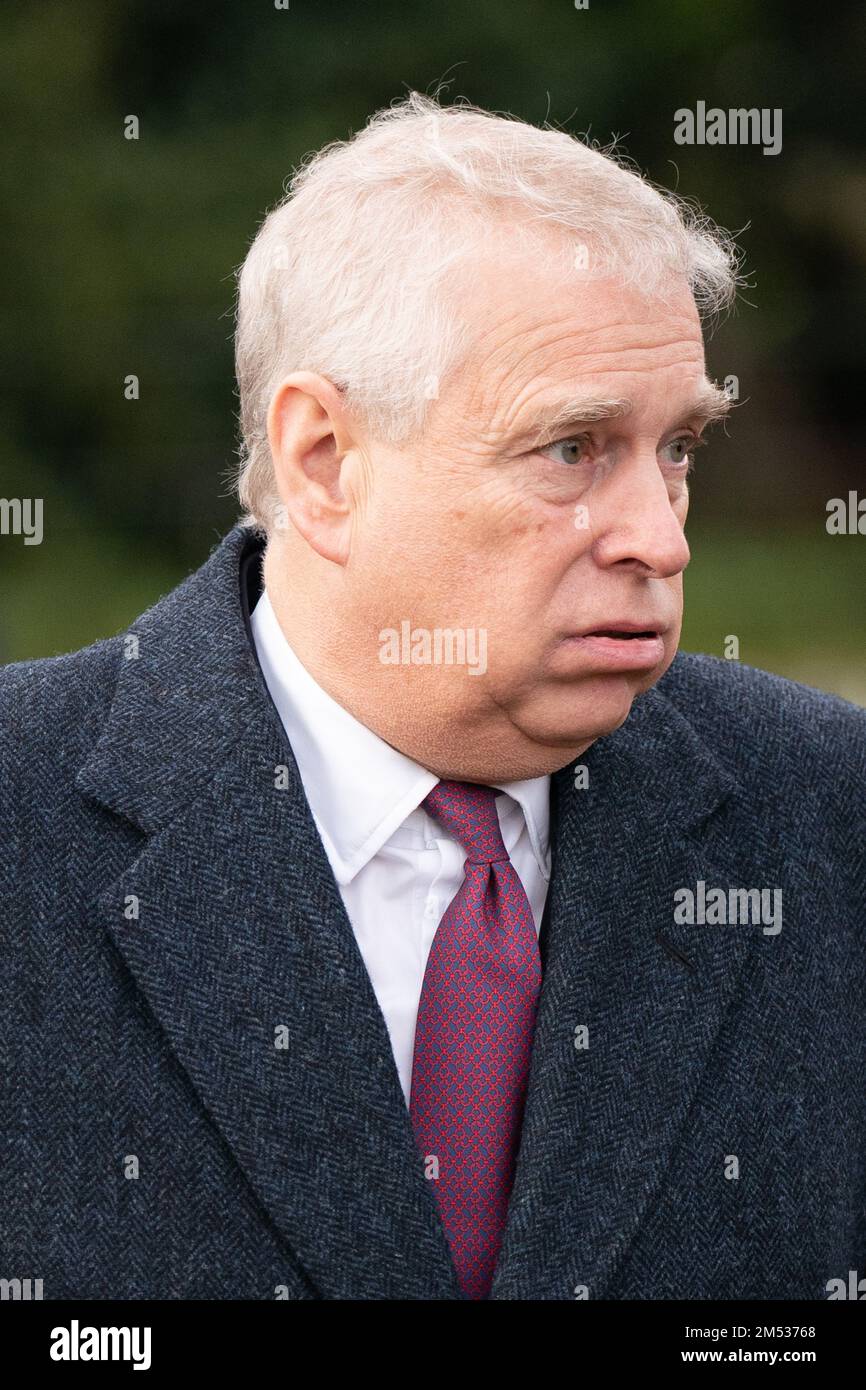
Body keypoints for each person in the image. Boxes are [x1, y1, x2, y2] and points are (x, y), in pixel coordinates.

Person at [1, 94, 863, 1301]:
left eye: (675, 448)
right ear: (323, 462)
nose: (657, 540)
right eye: (571, 449)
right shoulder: (22, 806)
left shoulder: (830, 811)